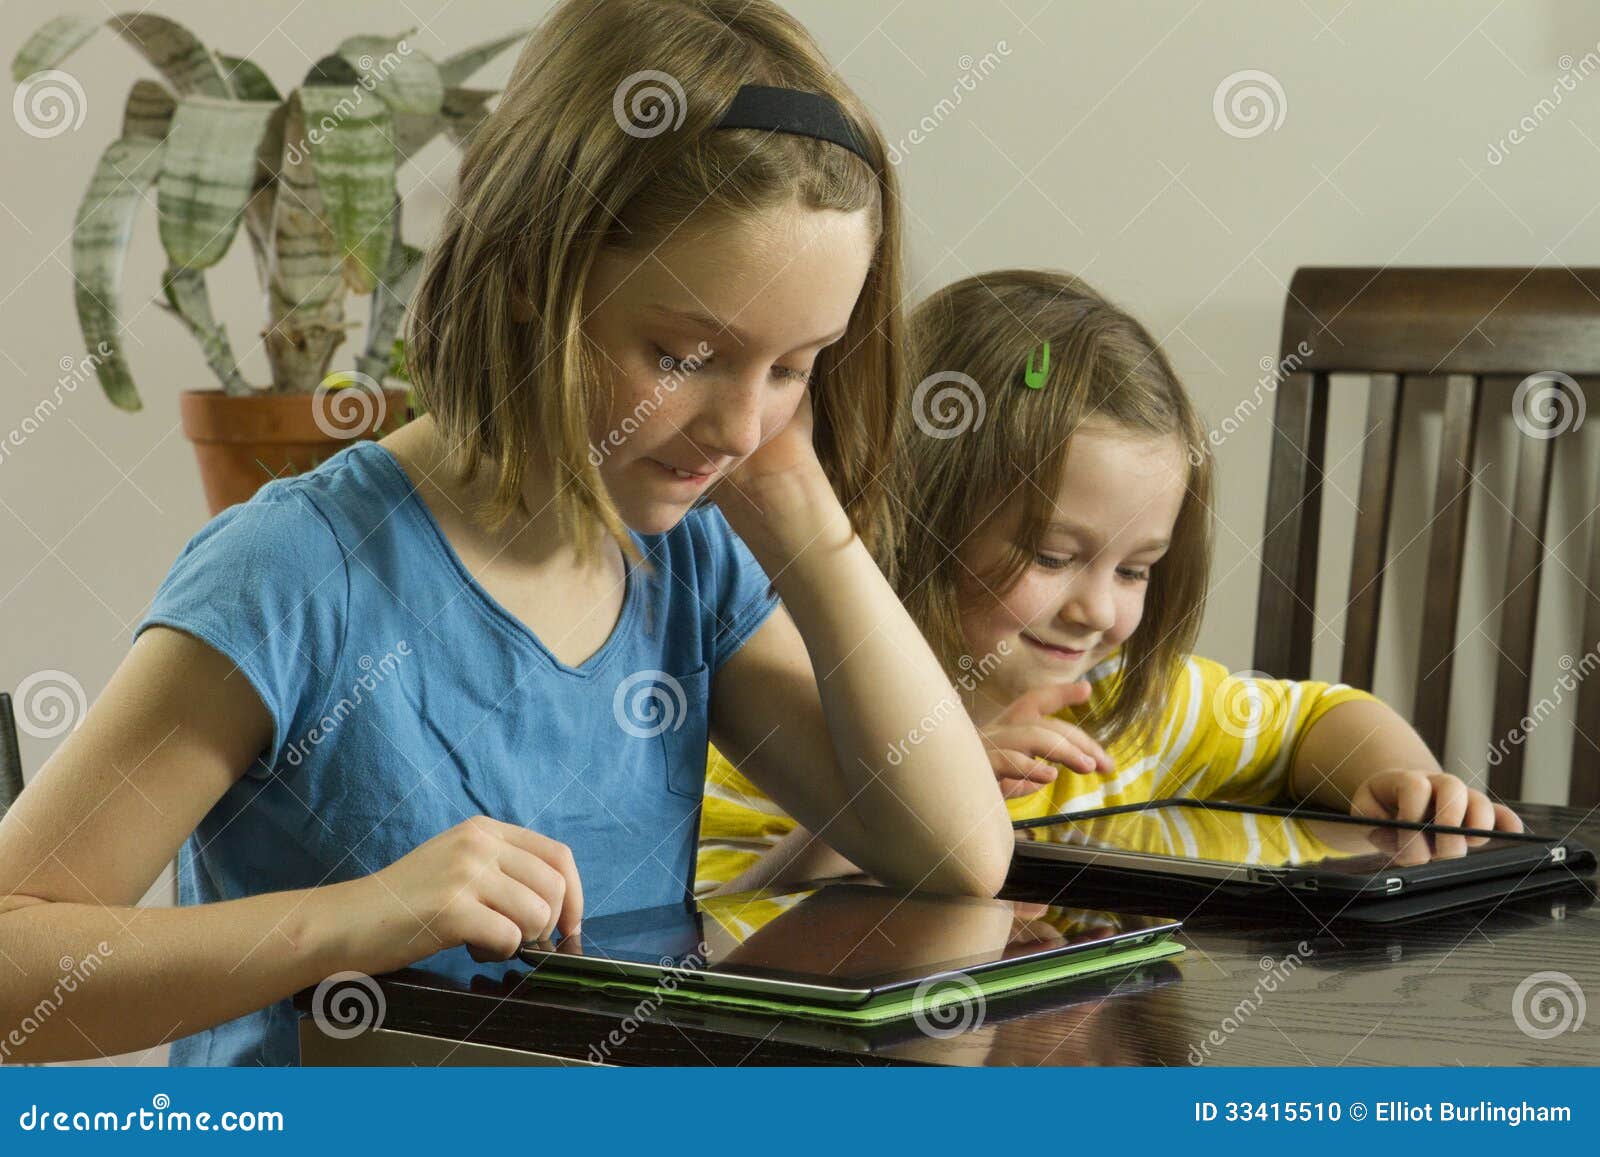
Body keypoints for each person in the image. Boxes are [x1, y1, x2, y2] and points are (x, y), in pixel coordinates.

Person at [0, 0, 1015, 1066]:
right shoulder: (296, 571)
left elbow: (956, 852)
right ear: (534, 275)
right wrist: (358, 918)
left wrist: (799, 502)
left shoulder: (691, 560)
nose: (742, 424)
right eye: (684, 353)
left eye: (795, 364)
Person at [695, 269, 1523, 896]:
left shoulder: (1126, 713)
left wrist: (1404, 784)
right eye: (1053, 557)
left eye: (1135, 570)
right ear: (913, 514)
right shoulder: (774, 709)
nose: (1099, 609)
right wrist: (921, 795)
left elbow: (1318, 716)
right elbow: (738, 925)